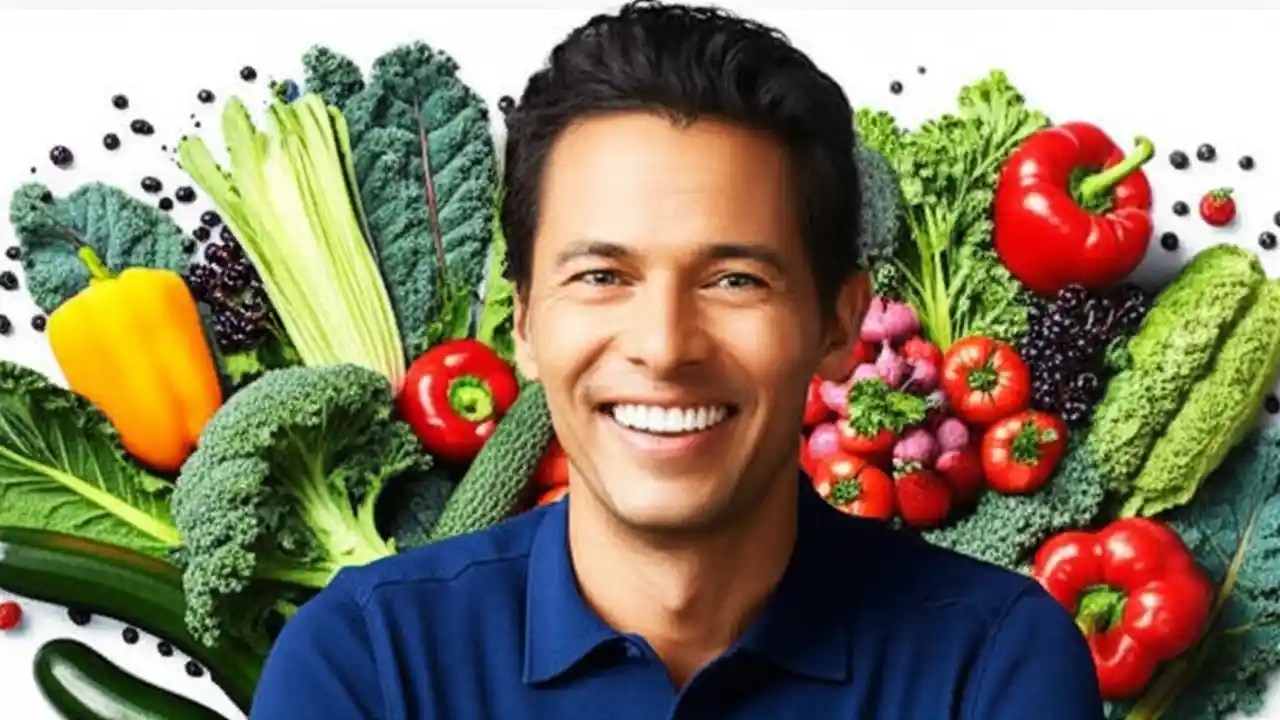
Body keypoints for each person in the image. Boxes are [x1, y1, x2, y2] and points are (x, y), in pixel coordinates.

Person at [249, 2, 1104, 718]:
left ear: (840, 324)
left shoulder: (993, 670)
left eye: (735, 280)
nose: (663, 346)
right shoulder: (368, 665)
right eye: (601, 275)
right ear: (527, 324)